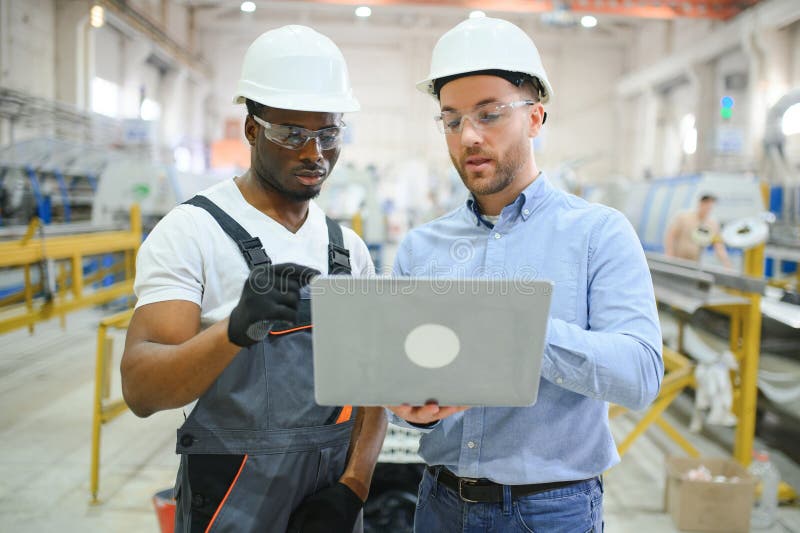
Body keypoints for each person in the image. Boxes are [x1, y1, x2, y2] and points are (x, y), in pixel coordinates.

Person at [387, 17, 663, 532]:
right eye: (451, 120)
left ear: (536, 117)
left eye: (489, 114)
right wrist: (409, 406)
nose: (468, 136)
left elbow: (641, 375)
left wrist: (520, 329)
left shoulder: (597, 234)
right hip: (439, 503)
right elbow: (407, 380)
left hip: (550, 511)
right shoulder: (423, 247)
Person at [121, 25, 387, 533]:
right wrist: (235, 329)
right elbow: (140, 389)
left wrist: (352, 489)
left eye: (329, 134)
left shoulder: (347, 250)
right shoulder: (192, 231)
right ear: (250, 129)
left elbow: (373, 388)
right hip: (231, 501)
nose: (314, 153)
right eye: (291, 133)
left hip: (327, 503)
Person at [664, 193, 733, 268]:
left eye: (710, 205)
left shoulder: (712, 225)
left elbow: (719, 246)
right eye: (706, 204)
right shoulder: (683, 217)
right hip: (677, 261)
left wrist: (727, 264)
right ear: (700, 203)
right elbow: (670, 236)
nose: (708, 208)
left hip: (694, 264)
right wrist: (669, 256)